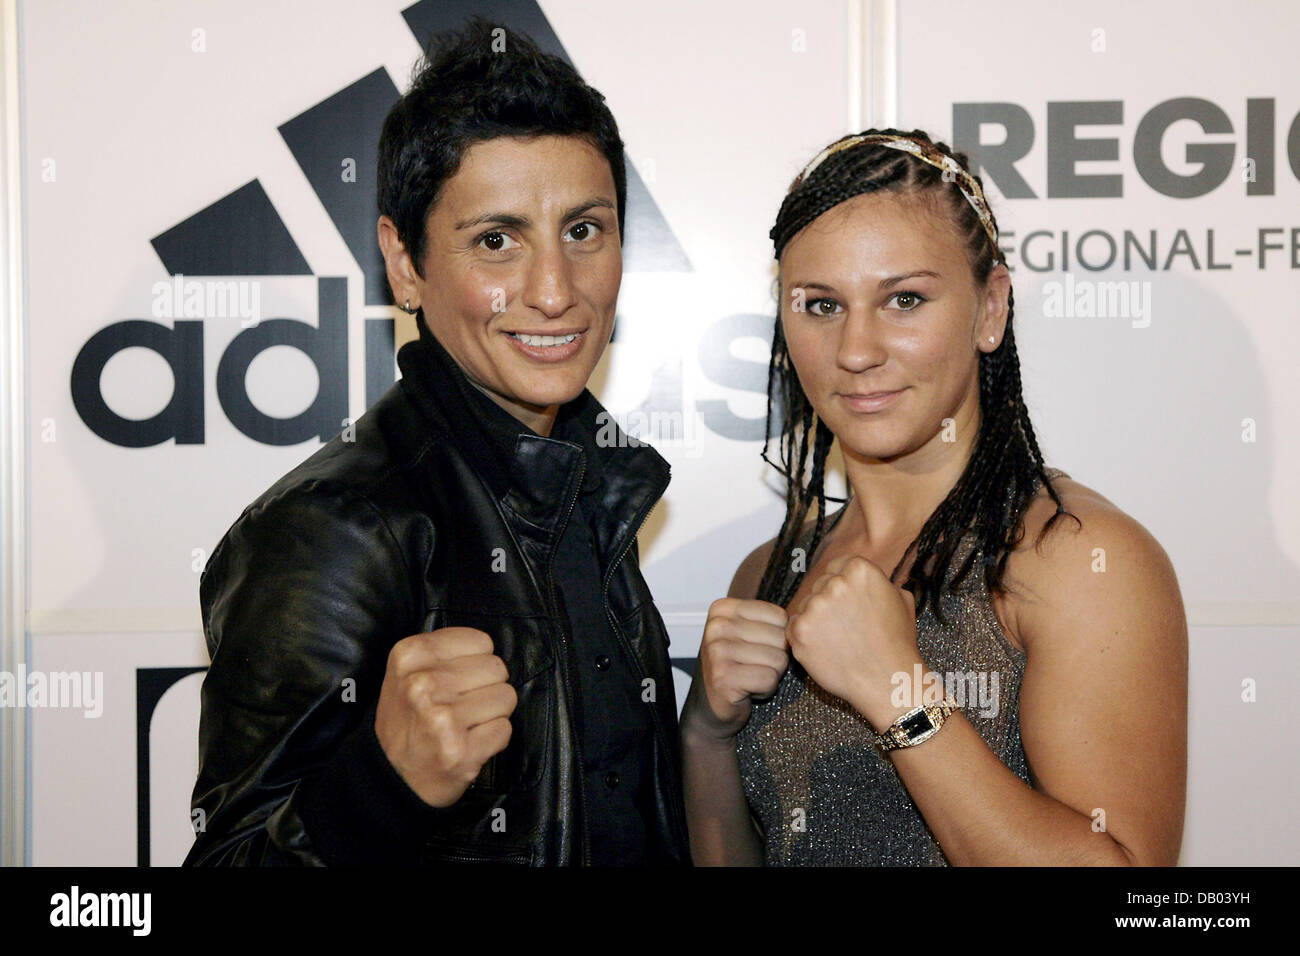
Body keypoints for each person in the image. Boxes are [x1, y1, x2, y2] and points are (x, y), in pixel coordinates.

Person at [185, 19, 689, 866]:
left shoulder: (592, 487)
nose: (555, 291)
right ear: (406, 263)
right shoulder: (335, 528)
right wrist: (381, 787)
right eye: (497, 241)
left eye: (583, 230)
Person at [680, 129, 1188, 866]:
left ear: (990, 309)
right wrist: (705, 734)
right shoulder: (772, 571)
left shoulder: (1079, 559)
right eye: (821, 306)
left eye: (905, 299)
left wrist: (898, 690)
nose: (856, 350)